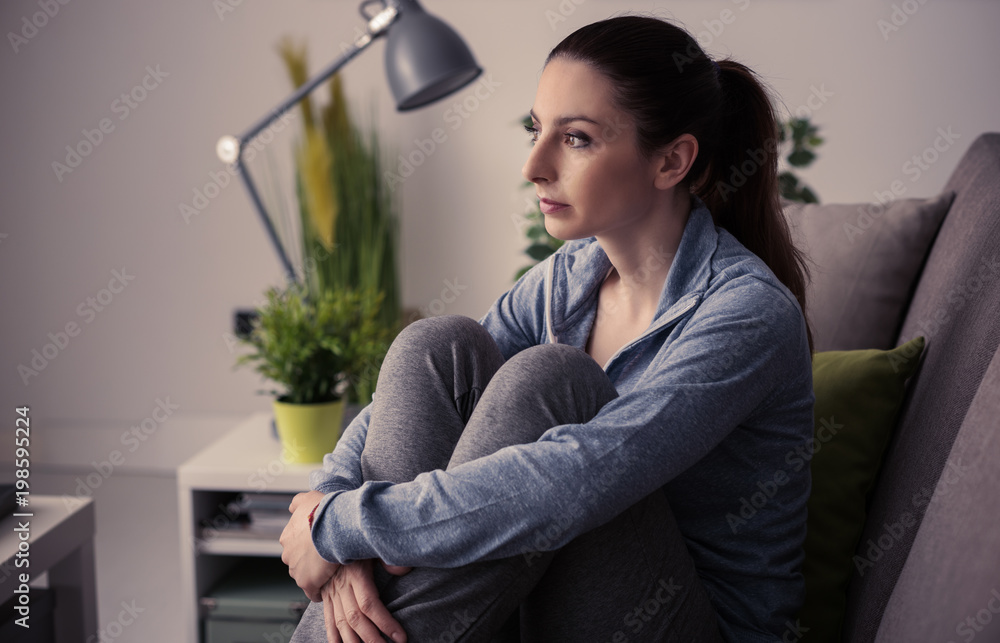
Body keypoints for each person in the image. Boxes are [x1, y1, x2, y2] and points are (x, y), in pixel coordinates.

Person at [281, 14, 815, 643]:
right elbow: (387, 410)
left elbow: (578, 479)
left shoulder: (747, 313)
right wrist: (330, 506)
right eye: (536, 130)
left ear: (672, 160)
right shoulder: (572, 275)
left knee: (553, 380)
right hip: (545, 600)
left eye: (576, 139)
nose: (534, 165)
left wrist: (343, 525)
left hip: (687, 621)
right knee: (437, 347)